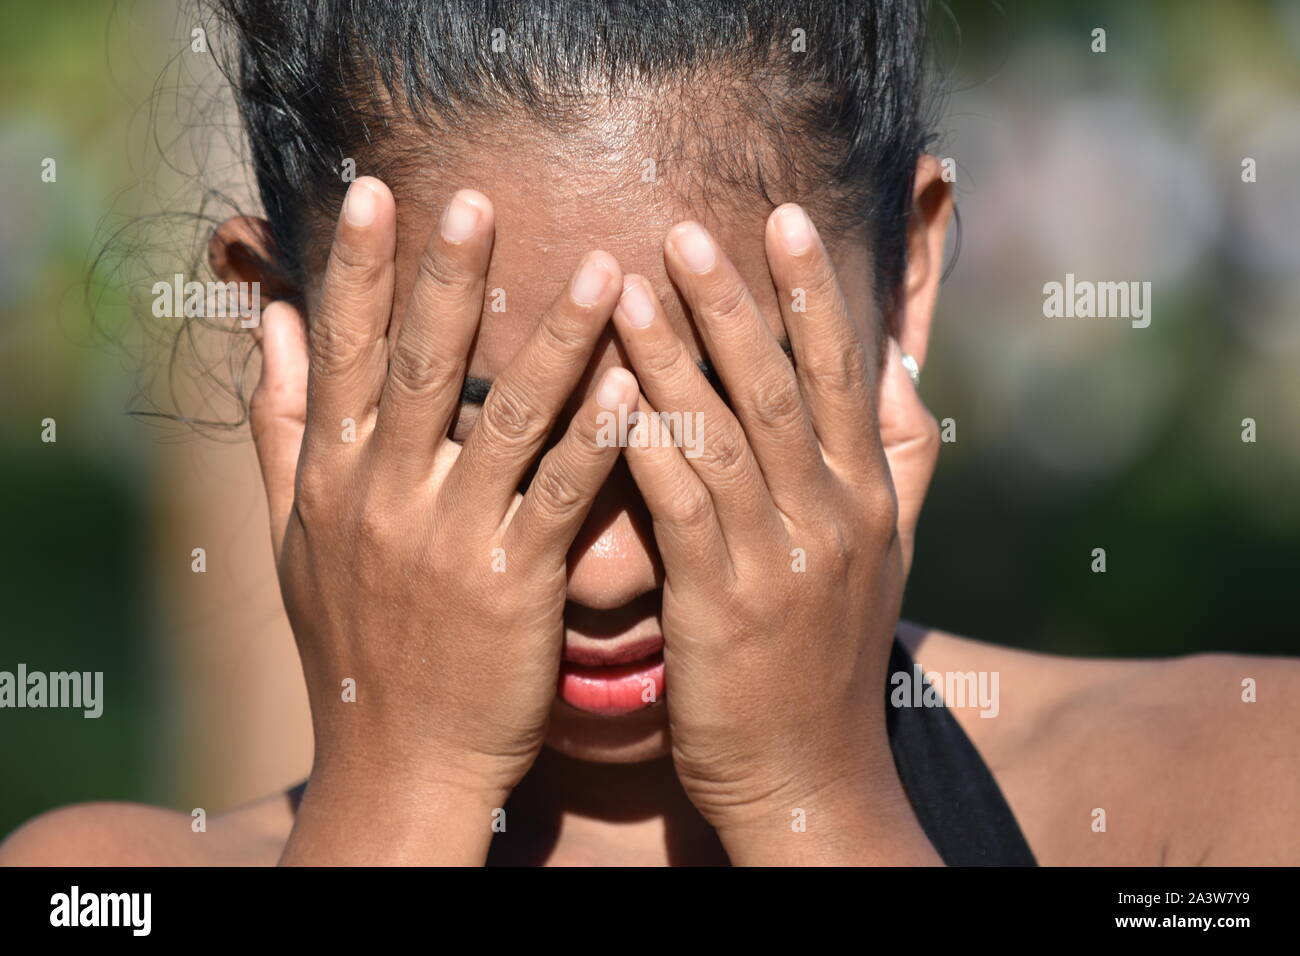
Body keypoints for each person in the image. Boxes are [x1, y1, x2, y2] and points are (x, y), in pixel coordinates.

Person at [3, 0, 1297, 867]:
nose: (611, 566)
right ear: (286, 331)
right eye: (491, 426)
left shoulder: (1218, 795)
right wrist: (406, 801)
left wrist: (817, 798)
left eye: (720, 407)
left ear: (903, 285)